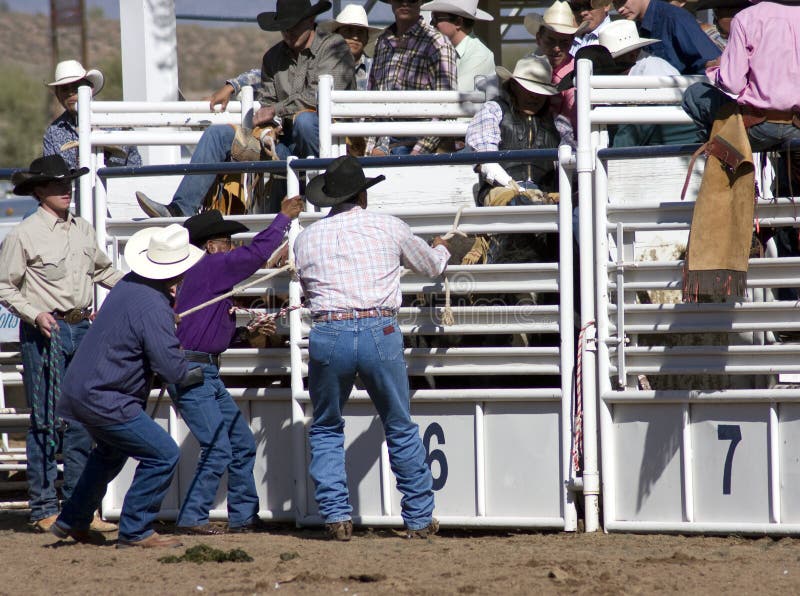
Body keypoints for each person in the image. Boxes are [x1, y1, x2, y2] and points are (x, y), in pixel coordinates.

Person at [293, 155, 450, 541]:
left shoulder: (306, 238)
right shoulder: (389, 226)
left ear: (330, 198)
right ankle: (418, 518)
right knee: (398, 423)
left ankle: (336, 515)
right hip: (379, 328)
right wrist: (442, 248)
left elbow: (306, 285)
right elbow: (432, 266)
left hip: (329, 331)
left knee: (326, 425)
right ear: (362, 195)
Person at [49, 224, 205, 548]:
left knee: (110, 452)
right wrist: (192, 369)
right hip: (106, 397)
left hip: (82, 390)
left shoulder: (129, 286)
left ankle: (74, 519)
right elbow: (171, 368)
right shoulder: (155, 306)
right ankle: (136, 530)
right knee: (163, 454)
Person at [136, 0, 355, 218]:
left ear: (310, 20)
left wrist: (275, 111)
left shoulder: (334, 47)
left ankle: (319, 185)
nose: (288, 32)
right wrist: (268, 127)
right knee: (217, 134)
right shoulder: (273, 57)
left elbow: (317, 98)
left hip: (328, 146)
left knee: (305, 122)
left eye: (294, 25)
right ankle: (180, 209)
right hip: (284, 146)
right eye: (283, 27)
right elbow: (268, 101)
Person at [0, 155, 123, 533]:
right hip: (46, 330)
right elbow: (4, 285)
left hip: (81, 326)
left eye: (67, 182)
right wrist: (34, 314)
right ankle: (42, 508)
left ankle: (78, 508)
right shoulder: (24, 234)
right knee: (45, 421)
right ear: (39, 191)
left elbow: (104, 270)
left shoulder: (82, 229)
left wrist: (142, 286)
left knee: (81, 418)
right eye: (57, 184)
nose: (65, 189)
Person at [171, 198, 303, 535]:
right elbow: (254, 255)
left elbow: (206, 330)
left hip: (200, 368)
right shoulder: (210, 268)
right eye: (227, 242)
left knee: (239, 443)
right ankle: (193, 517)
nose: (232, 248)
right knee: (221, 445)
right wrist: (282, 218)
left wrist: (245, 332)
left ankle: (242, 516)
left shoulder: (201, 275)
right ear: (212, 246)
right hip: (195, 369)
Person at [366, 0, 457, 156]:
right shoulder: (382, 42)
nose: (405, 2)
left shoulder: (438, 43)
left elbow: (445, 108)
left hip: (418, 143)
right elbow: (372, 100)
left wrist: (417, 153)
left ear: (420, 1)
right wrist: (368, 149)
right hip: (382, 144)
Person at [597, 20, 704, 147]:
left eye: (612, 60)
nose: (608, 65)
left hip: (672, 142)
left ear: (632, 54)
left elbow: (642, 124)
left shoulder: (653, 69)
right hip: (663, 140)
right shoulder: (642, 68)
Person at [43, 60, 142, 171]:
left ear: (90, 89)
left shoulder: (117, 123)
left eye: (76, 87)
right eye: (64, 89)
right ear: (58, 95)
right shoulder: (52, 133)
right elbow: (52, 175)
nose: (70, 93)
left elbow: (134, 169)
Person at [612, 0, 721, 74]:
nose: (619, 9)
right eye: (615, 2)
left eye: (622, 0)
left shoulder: (674, 18)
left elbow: (714, 65)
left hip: (685, 96)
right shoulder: (638, 25)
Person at [525, 0, 580, 132]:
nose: (556, 48)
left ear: (572, 42)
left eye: (564, 42)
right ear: (538, 39)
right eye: (550, 41)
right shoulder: (526, 67)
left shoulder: (577, 75)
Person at [420, 0, 496, 92]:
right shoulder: (439, 49)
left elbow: (454, 95)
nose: (432, 23)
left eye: (436, 19)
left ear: (458, 22)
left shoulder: (480, 55)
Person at [320, 3, 383, 90]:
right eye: (348, 30)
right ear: (335, 36)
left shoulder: (376, 67)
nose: (355, 37)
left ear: (367, 39)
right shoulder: (320, 65)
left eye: (360, 32)